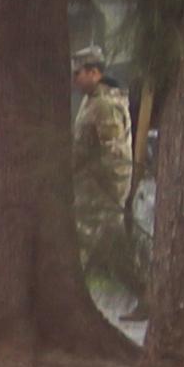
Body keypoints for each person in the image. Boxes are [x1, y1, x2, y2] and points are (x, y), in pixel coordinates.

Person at [73, 49, 141, 303]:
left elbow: (115, 157)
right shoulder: (91, 100)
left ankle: (72, 303)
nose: (74, 79)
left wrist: (111, 196)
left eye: (78, 73)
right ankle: (146, 294)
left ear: (94, 72)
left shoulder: (106, 105)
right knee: (116, 253)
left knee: (87, 249)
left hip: (103, 195)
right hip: (91, 191)